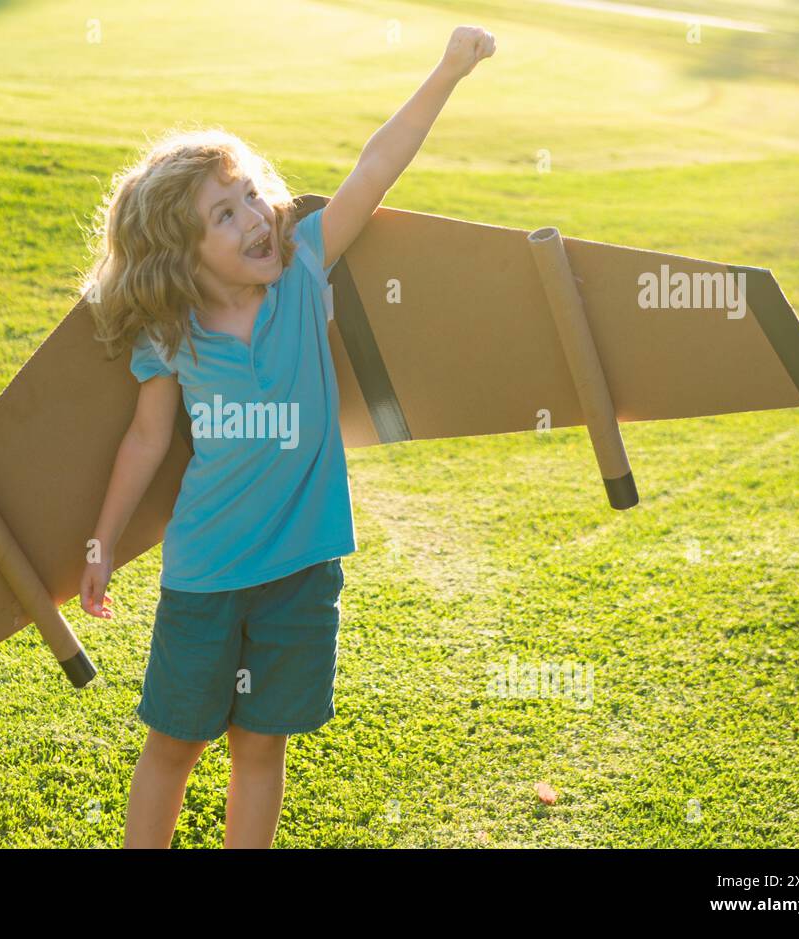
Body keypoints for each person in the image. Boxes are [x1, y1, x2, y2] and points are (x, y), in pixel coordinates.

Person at [76, 25, 497, 848]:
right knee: (174, 743)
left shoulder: (306, 273)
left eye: (252, 195)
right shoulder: (169, 332)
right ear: (183, 256)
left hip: (301, 572)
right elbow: (145, 441)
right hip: (204, 575)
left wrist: (448, 70)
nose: (258, 219)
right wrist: (102, 542)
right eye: (223, 216)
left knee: (261, 745)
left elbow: (377, 165)